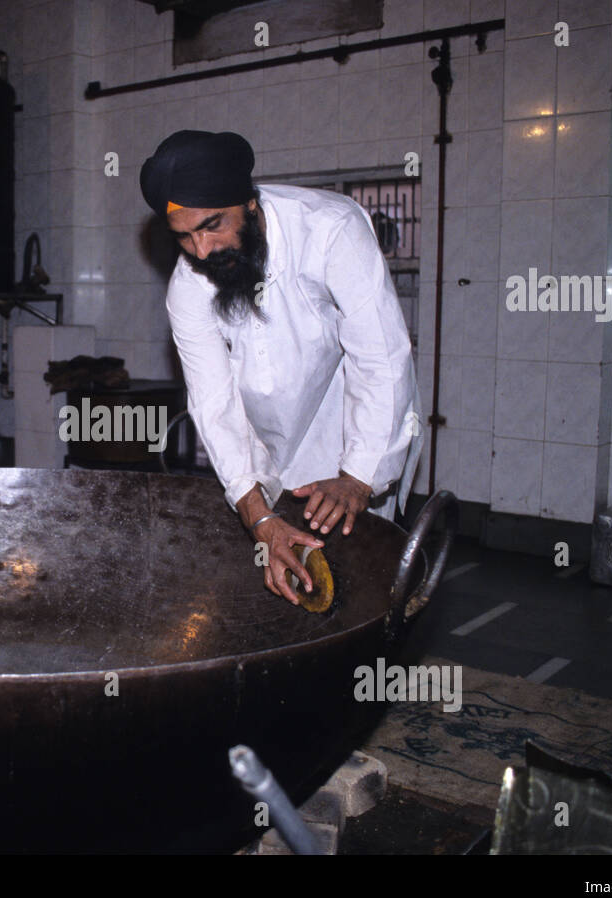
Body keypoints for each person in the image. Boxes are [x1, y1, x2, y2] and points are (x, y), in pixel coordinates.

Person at [140, 130, 423, 605]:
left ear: (249, 203)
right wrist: (259, 514)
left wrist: (357, 475)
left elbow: (380, 357)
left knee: (363, 584)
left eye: (213, 225)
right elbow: (213, 404)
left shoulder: (331, 229)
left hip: (355, 431)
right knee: (284, 587)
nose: (202, 250)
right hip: (267, 445)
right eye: (184, 236)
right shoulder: (188, 287)